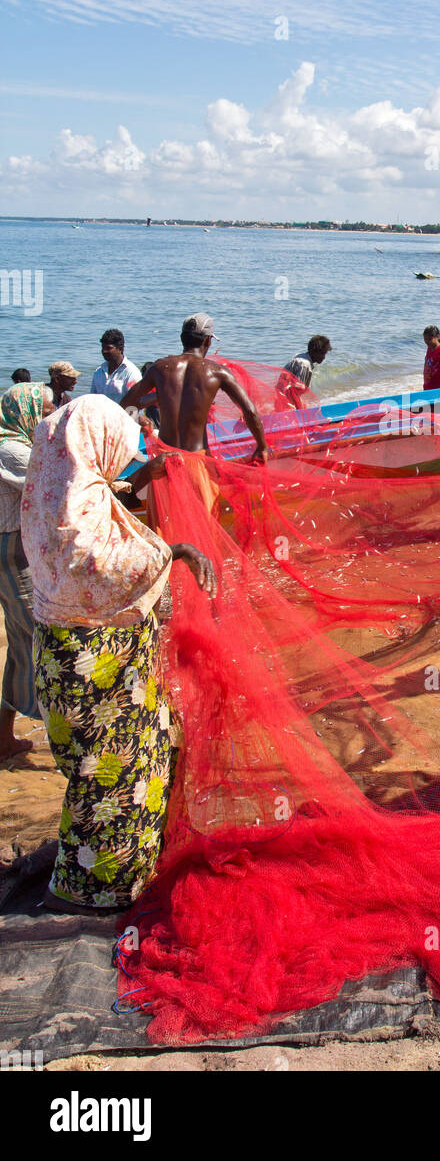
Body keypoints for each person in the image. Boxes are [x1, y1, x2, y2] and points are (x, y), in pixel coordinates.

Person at [20, 396, 217, 912]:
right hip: (97, 666)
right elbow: (102, 564)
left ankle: (95, 873)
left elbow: (98, 500)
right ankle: (100, 886)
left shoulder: (50, 489)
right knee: (116, 771)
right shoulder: (78, 524)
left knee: (99, 771)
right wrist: (173, 551)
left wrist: (141, 479)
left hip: (62, 661)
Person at [121, 314, 268, 468]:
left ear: (182, 338)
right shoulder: (217, 372)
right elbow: (250, 411)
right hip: (196, 460)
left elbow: (126, 404)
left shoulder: (159, 367)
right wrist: (262, 446)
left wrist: (158, 397)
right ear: (207, 340)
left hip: (163, 461)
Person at [0, 382, 55, 761]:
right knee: (44, 639)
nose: (50, 416)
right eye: (47, 409)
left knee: (22, 644)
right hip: (11, 550)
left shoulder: (15, 444)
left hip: (16, 547)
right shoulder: (11, 450)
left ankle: (3, 739)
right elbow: (49, 485)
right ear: (28, 412)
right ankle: (67, 736)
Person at [91, 329, 142, 402]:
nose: (104, 351)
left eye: (108, 348)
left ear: (120, 349)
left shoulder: (131, 372)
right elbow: (92, 399)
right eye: (103, 347)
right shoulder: (99, 371)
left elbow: (136, 402)